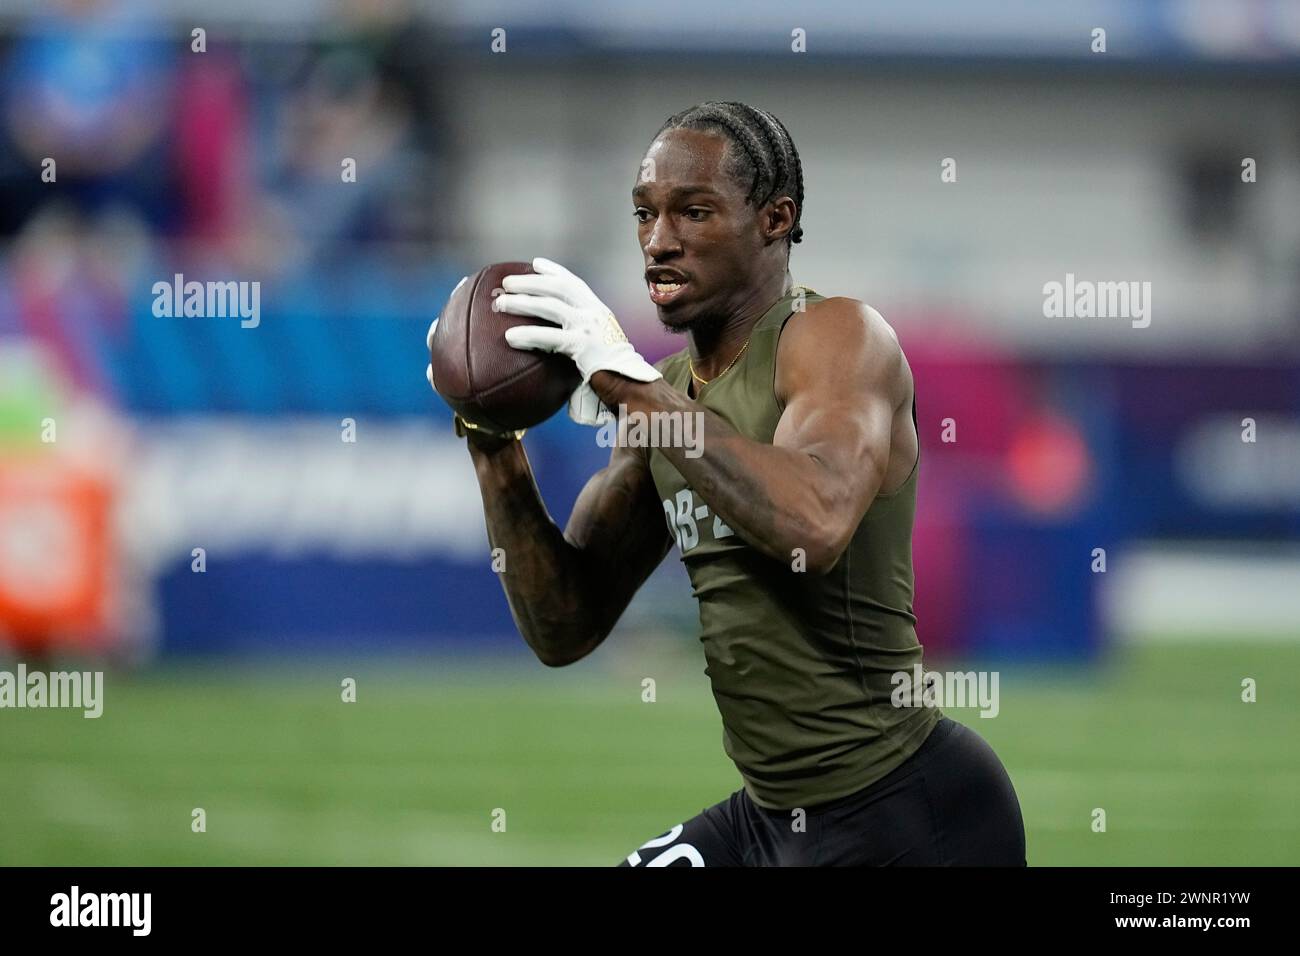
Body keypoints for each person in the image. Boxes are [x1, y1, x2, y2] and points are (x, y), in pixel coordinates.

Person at [436, 101, 1025, 865]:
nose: (658, 241)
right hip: (773, 818)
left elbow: (812, 522)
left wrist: (633, 389)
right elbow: (565, 624)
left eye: (694, 212)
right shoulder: (667, 392)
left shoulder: (838, 338)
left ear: (776, 218)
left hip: (906, 810)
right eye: (644, 214)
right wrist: (492, 443)